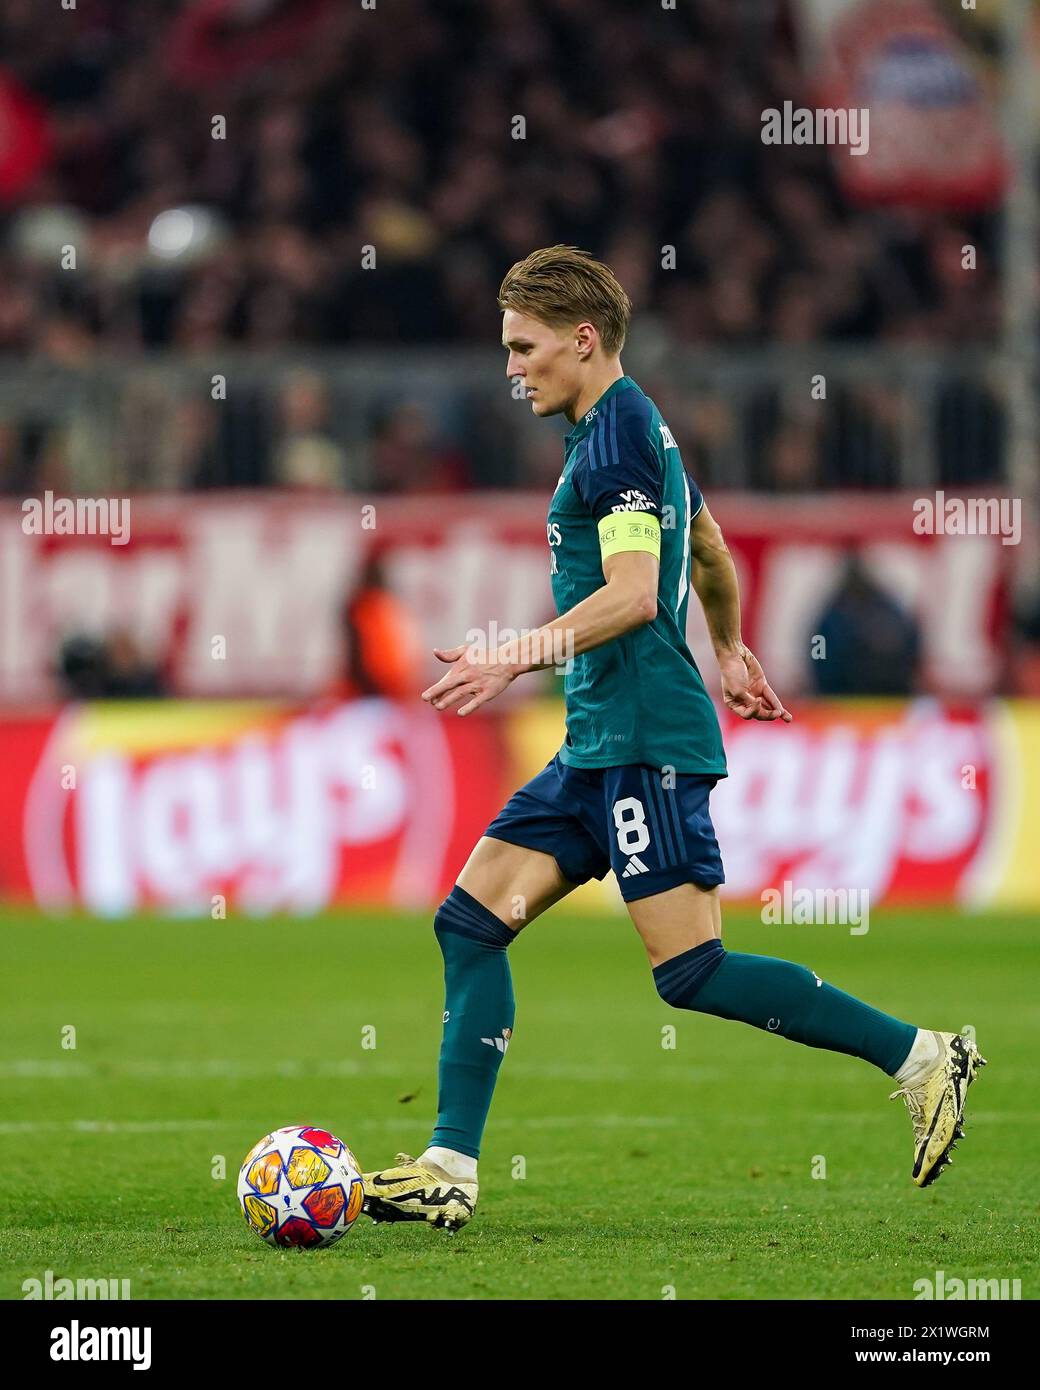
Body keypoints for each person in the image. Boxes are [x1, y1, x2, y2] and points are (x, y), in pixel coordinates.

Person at [361, 246, 985, 1232]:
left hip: (641, 740)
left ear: (582, 338)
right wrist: (730, 646)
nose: (510, 367)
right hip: (599, 738)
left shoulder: (609, 443)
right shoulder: (633, 424)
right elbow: (704, 545)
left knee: (689, 972)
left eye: (523, 347)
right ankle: (449, 1165)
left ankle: (919, 1054)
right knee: (471, 920)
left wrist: (508, 656)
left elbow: (633, 591)